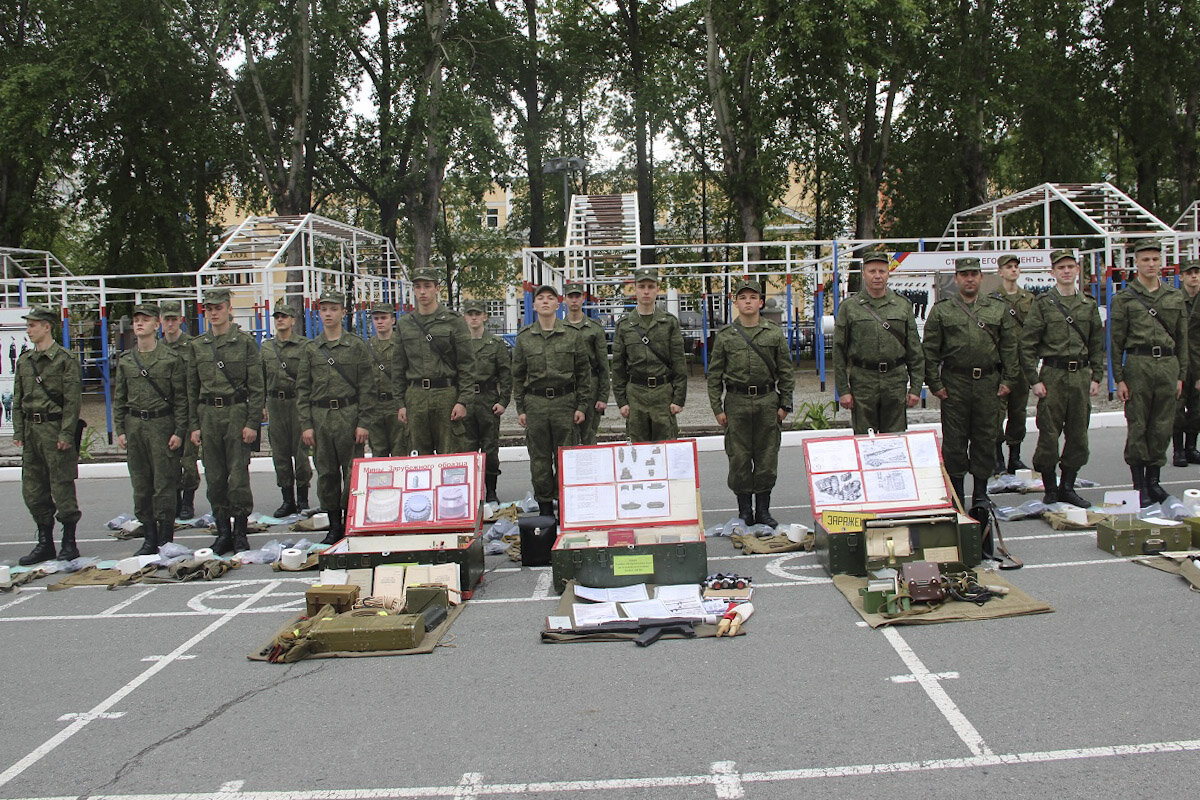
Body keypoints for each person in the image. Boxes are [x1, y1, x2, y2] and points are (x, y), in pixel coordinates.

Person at [922, 257, 1018, 508]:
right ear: (956, 278)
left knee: (985, 438)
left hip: (988, 382)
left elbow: (1010, 348)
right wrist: (934, 383)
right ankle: (956, 498)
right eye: (964, 274)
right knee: (954, 442)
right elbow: (929, 350)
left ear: (981, 277)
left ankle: (980, 494)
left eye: (974, 273)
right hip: (955, 383)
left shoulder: (997, 309)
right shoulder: (942, 310)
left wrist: (1008, 379)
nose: (969, 278)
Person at [1019, 249, 1104, 507]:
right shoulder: (1043, 304)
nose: (1066, 271)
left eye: (1070, 267)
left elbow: (1097, 344)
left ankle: (1068, 486)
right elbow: (1027, 344)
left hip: (1080, 375)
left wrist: (1097, 376)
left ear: (1077, 270)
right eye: (1061, 268)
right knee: (1049, 434)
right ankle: (1050, 487)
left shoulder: (1088, 305)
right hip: (1053, 375)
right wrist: (1034, 379)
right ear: (1052, 272)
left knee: (1078, 434)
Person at [706, 279, 794, 527]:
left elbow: (786, 372)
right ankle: (745, 511)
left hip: (767, 402)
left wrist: (784, 404)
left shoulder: (773, 333)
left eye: (752, 297)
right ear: (735, 303)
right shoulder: (725, 336)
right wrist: (717, 408)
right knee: (739, 459)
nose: (748, 301)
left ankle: (763, 511)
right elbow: (714, 375)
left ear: (760, 302)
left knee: (767, 459)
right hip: (736, 403)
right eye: (742, 297)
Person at [188, 287, 265, 555]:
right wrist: (194, 426)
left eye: (218, 307)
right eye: (209, 308)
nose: (213, 312)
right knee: (215, 476)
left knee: (238, 477)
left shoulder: (243, 343)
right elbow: (191, 390)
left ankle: (240, 532)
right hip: (208, 415)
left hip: (236, 414)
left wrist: (252, 423)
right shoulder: (197, 345)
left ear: (229, 309)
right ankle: (222, 532)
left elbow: (257, 387)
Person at [1111, 239, 1187, 506]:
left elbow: (1182, 339)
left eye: (1155, 259)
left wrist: (1181, 375)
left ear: (1161, 262)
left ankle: (1154, 482)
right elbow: (1116, 341)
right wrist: (1118, 378)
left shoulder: (1174, 296)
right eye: (1145, 260)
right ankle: (1139, 485)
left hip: (1167, 366)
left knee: (1162, 426)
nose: (1151, 264)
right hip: (1138, 365)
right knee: (1139, 425)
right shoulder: (1125, 298)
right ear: (1136, 263)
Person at [297, 288, 374, 545]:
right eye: (323, 309)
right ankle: (334, 525)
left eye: (333, 309)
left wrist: (364, 421)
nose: (328, 314)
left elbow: (367, 387)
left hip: (349, 415)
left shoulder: (356, 346)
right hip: (320, 418)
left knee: (352, 473)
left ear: (343, 312)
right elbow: (303, 389)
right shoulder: (311, 349)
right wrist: (306, 425)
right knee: (327, 473)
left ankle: (351, 522)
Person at [512, 284, 594, 517]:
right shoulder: (525, 338)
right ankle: (546, 511)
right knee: (539, 459)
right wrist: (521, 408)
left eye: (550, 298)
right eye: (541, 298)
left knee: (566, 457)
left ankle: (567, 509)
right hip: (536, 404)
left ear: (558, 305)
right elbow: (517, 376)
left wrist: (581, 406)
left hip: (565, 403)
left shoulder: (572, 335)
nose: (545, 302)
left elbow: (583, 374)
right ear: (534, 305)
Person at [114, 303, 187, 556]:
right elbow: (119, 398)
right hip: (135, 427)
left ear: (157, 325)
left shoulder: (170, 359)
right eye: (136, 320)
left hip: (162, 426)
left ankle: (166, 537)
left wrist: (179, 430)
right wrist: (120, 429)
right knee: (141, 484)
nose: (139, 324)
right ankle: (149, 536)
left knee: (164, 484)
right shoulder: (126, 360)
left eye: (145, 320)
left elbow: (180, 399)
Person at [12, 304, 82, 565]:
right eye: (28, 325)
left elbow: (72, 402)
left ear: (46, 326)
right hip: (32, 432)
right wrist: (19, 430)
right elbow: (18, 398)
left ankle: (69, 543)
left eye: (33, 325)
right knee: (33, 490)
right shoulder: (24, 361)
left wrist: (66, 433)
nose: (29, 330)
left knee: (62, 486)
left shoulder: (64, 360)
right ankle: (45, 542)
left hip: (54, 431)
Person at [833, 250, 924, 434]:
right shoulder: (849, 307)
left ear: (888, 274)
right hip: (863, 382)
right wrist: (843, 390)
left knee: (895, 439)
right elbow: (839, 351)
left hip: (895, 380)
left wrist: (916, 388)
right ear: (864, 273)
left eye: (882, 271)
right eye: (872, 271)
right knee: (865, 439)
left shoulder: (902, 305)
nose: (877, 276)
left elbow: (914, 349)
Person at [393, 266, 475, 454]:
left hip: (446, 394)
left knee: (450, 456)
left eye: (427, 286)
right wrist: (400, 404)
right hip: (416, 397)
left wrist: (463, 401)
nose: (422, 291)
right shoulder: (405, 324)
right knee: (418, 459)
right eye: (418, 286)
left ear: (437, 289)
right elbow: (398, 367)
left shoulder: (454, 321)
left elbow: (467, 363)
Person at [612, 267, 686, 442]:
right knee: (639, 452)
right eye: (642, 286)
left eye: (651, 286)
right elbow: (618, 367)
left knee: (666, 448)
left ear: (657, 289)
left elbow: (679, 363)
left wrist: (678, 399)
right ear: (635, 289)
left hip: (663, 395)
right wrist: (622, 401)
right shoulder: (624, 325)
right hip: (636, 396)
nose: (646, 291)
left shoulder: (669, 322)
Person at [260, 299, 312, 517]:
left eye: (284, 316)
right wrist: (262, 404)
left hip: (297, 402)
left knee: (300, 452)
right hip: (275, 403)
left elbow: (310, 378)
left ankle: (302, 498)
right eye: (277, 317)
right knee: (280, 454)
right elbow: (259, 378)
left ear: (292, 320)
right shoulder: (266, 348)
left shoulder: (304, 346)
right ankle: (287, 499)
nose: (280, 320)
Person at [463, 299, 512, 504]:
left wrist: (503, 401)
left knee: (490, 450)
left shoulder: (495, 344)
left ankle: (491, 491)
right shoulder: (459, 344)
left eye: (478, 314)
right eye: (470, 314)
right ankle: (471, 494)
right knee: (467, 450)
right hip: (466, 401)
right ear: (465, 317)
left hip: (488, 400)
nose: (474, 317)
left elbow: (506, 375)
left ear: (484, 316)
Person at [991, 253, 1034, 473]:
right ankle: (997, 457)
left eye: (1016, 266)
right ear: (1000, 272)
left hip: (1022, 365)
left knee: (1018, 412)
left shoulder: (1029, 299)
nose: (1013, 270)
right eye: (1009, 267)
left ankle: (1014, 457)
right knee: (997, 413)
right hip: (1000, 366)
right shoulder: (992, 299)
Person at [159, 299, 201, 519]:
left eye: (174, 319)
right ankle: (174, 499)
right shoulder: (157, 348)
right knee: (169, 458)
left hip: (188, 408)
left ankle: (188, 501)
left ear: (181, 320)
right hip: (166, 411)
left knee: (188, 459)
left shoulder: (192, 346)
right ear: (161, 322)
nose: (171, 324)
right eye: (167, 319)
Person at [562, 282, 610, 444]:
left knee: (588, 436)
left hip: (591, 387)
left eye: (577, 297)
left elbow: (604, 365)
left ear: (583, 299)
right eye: (570, 297)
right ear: (564, 300)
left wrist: (603, 397)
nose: (574, 300)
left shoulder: (594, 329)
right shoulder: (558, 328)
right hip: (566, 388)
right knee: (566, 436)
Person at [364, 301, 408, 458]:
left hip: (396, 406)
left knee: (400, 452)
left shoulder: (401, 344)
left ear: (393, 320)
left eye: (384, 317)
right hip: (375, 407)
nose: (380, 322)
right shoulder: (367, 347)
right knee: (378, 454)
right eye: (376, 319)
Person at [1172, 258, 1200, 467]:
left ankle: (1192, 448)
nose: (1194, 276)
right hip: (1178, 362)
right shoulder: (1174, 300)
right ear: (1181, 276)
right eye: (1189, 273)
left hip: (1198, 362)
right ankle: (1178, 450)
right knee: (1177, 409)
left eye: (1197, 272)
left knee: (1197, 408)